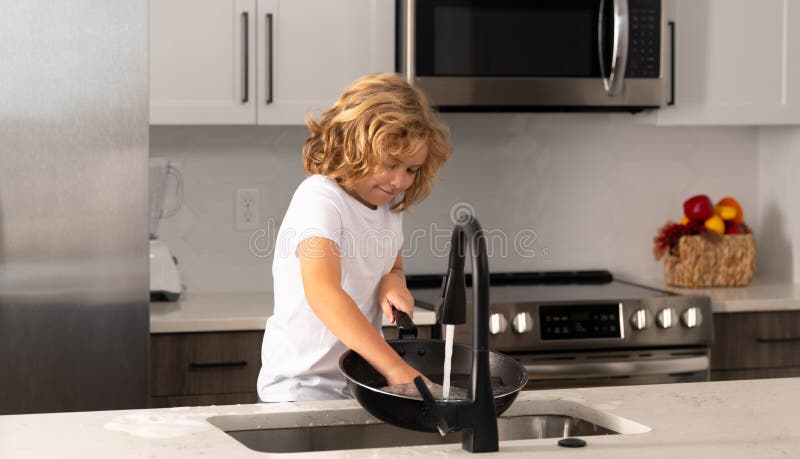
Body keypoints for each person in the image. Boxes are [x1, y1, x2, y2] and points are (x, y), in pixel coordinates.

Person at [257, 73, 453, 402]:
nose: (400, 181)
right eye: (391, 164)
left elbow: (392, 267)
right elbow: (323, 292)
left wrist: (393, 283)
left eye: (411, 169)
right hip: (299, 388)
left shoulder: (388, 206)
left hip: (356, 382)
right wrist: (396, 368)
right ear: (354, 146)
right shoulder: (321, 198)